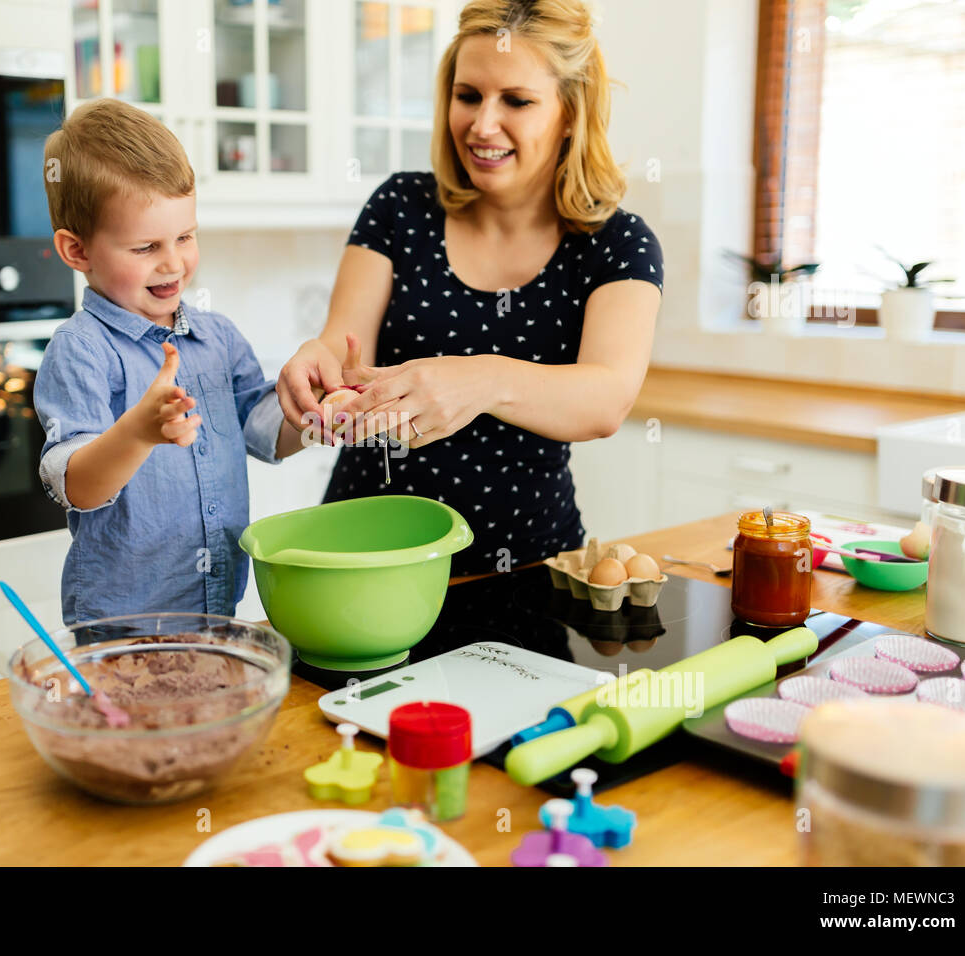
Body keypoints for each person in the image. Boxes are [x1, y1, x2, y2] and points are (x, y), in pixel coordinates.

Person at [276, 0, 663, 577]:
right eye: (468, 95)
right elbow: (341, 345)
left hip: (525, 567)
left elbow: (607, 399)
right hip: (364, 559)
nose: (482, 124)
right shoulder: (399, 207)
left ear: (569, 112)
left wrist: (483, 379)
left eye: (517, 100)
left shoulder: (617, 244)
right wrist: (318, 365)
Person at [33, 99, 308, 625]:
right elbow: (75, 486)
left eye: (185, 236)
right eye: (145, 247)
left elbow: (266, 431)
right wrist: (140, 431)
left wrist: (320, 418)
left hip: (217, 614)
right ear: (76, 251)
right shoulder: (80, 350)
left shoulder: (217, 336)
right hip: (122, 632)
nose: (174, 261)